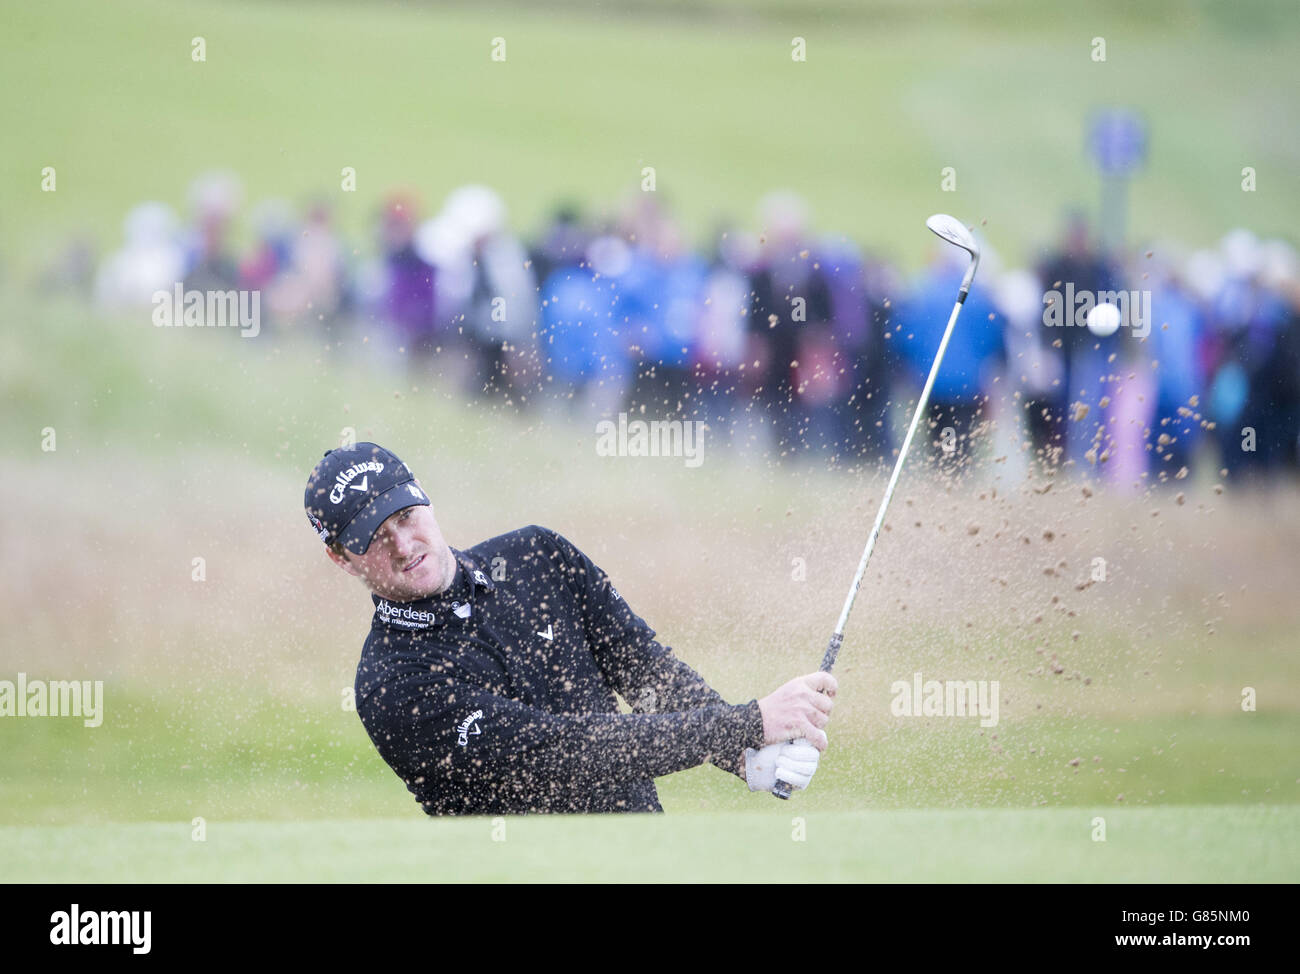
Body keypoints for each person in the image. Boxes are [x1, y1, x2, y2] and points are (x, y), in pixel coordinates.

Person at [303, 443, 834, 815]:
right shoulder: (393, 684)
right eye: (374, 537)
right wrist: (744, 723)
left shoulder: (538, 555)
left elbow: (644, 672)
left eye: (404, 515)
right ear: (340, 558)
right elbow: (560, 753)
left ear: (424, 498)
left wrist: (745, 755)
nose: (402, 544)